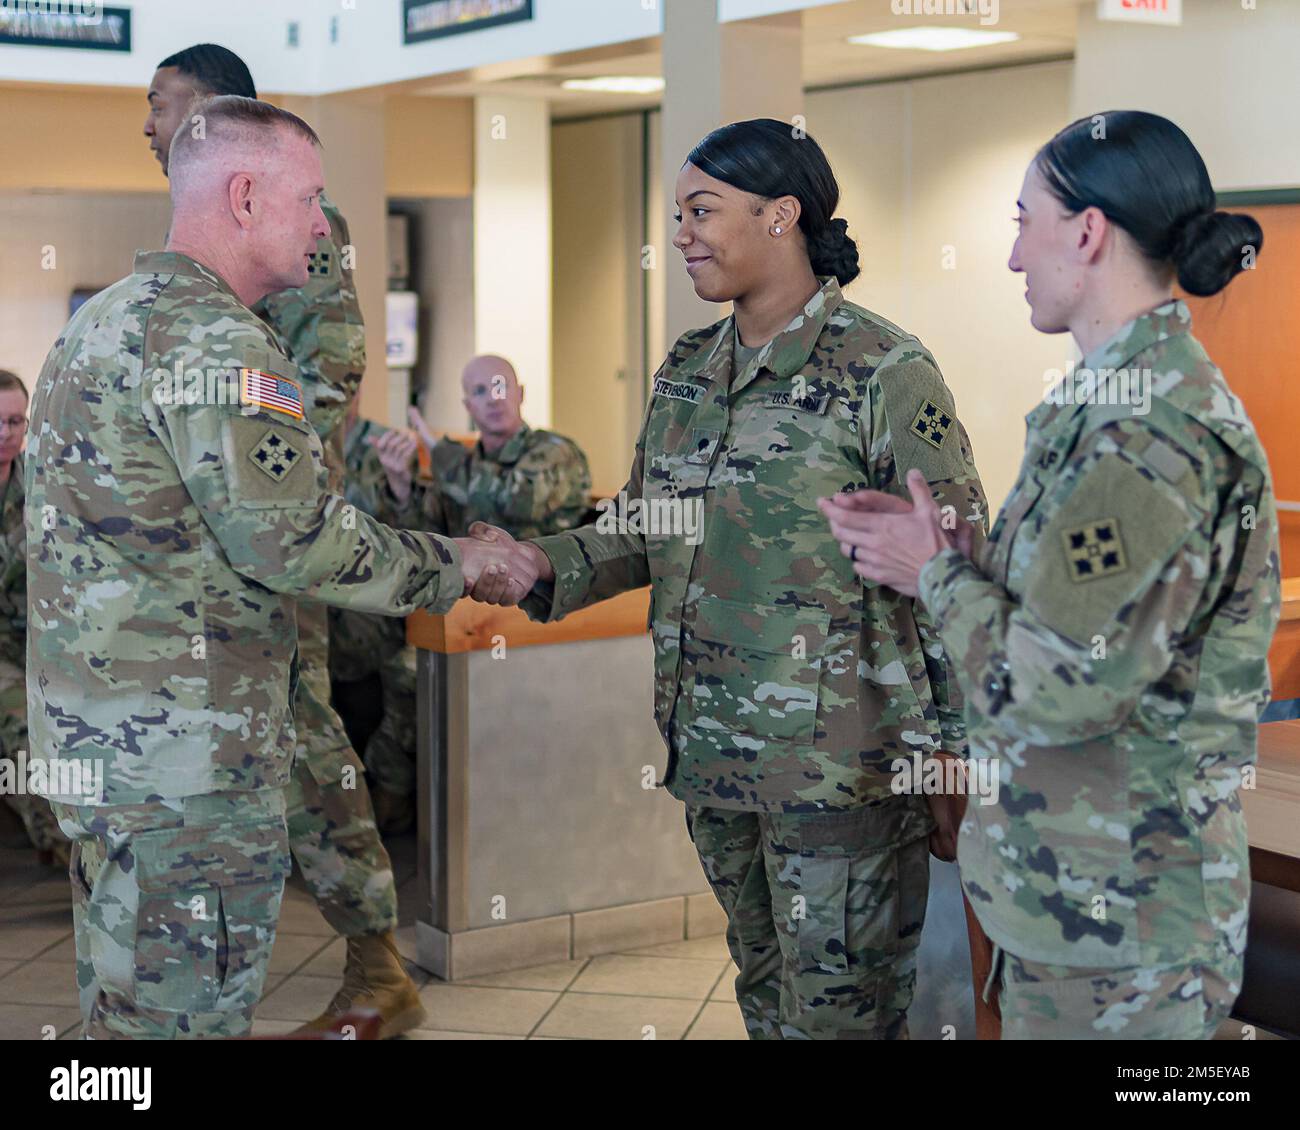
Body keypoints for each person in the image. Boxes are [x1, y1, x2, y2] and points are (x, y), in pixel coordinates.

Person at [467, 120, 987, 1039]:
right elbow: (642, 526)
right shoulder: (687, 371)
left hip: (845, 775)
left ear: (780, 215)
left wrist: (953, 757)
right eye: (677, 213)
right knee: (764, 997)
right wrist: (542, 561)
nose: (680, 235)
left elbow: (951, 569)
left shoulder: (883, 370)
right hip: (712, 756)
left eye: (701, 211)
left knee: (844, 1019)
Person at [28, 95, 516, 1039]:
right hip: (187, 769)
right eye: (311, 198)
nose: (322, 225)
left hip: (101, 751)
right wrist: (462, 563)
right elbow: (290, 540)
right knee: (182, 1023)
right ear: (245, 197)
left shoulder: (104, 323)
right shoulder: (219, 342)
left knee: (122, 1019)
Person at [823, 110, 1280, 1040]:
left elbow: (1058, 687)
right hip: (1072, 898)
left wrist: (936, 576)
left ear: (1088, 231)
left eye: (1023, 220)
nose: (1013, 257)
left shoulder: (1150, 435)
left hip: (1124, 924)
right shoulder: (1106, 407)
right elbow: (1069, 614)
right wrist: (947, 553)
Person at [145, 43, 422, 1036]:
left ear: (214, 111)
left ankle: (378, 964)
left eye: (160, 102)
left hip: (267, 539)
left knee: (302, 730)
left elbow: (329, 366)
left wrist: (246, 475)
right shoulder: (193, 232)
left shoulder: (297, 222)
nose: (146, 122)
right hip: (196, 555)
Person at [331, 357, 592, 831]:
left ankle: (393, 794)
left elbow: (516, 499)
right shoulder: (461, 465)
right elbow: (429, 539)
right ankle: (389, 801)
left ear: (521, 392)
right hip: (463, 615)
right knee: (369, 638)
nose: (493, 398)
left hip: (537, 620)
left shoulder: (553, 452)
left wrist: (439, 453)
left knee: (409, 670)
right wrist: (401, 485)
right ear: (466, 404)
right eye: (478, 391)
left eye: (500, 386)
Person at [0, 371, 70, 866]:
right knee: (24, 728)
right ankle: (62, 841)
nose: (5, 432)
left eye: (15, 421)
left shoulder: (43, 486)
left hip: (37, 646)